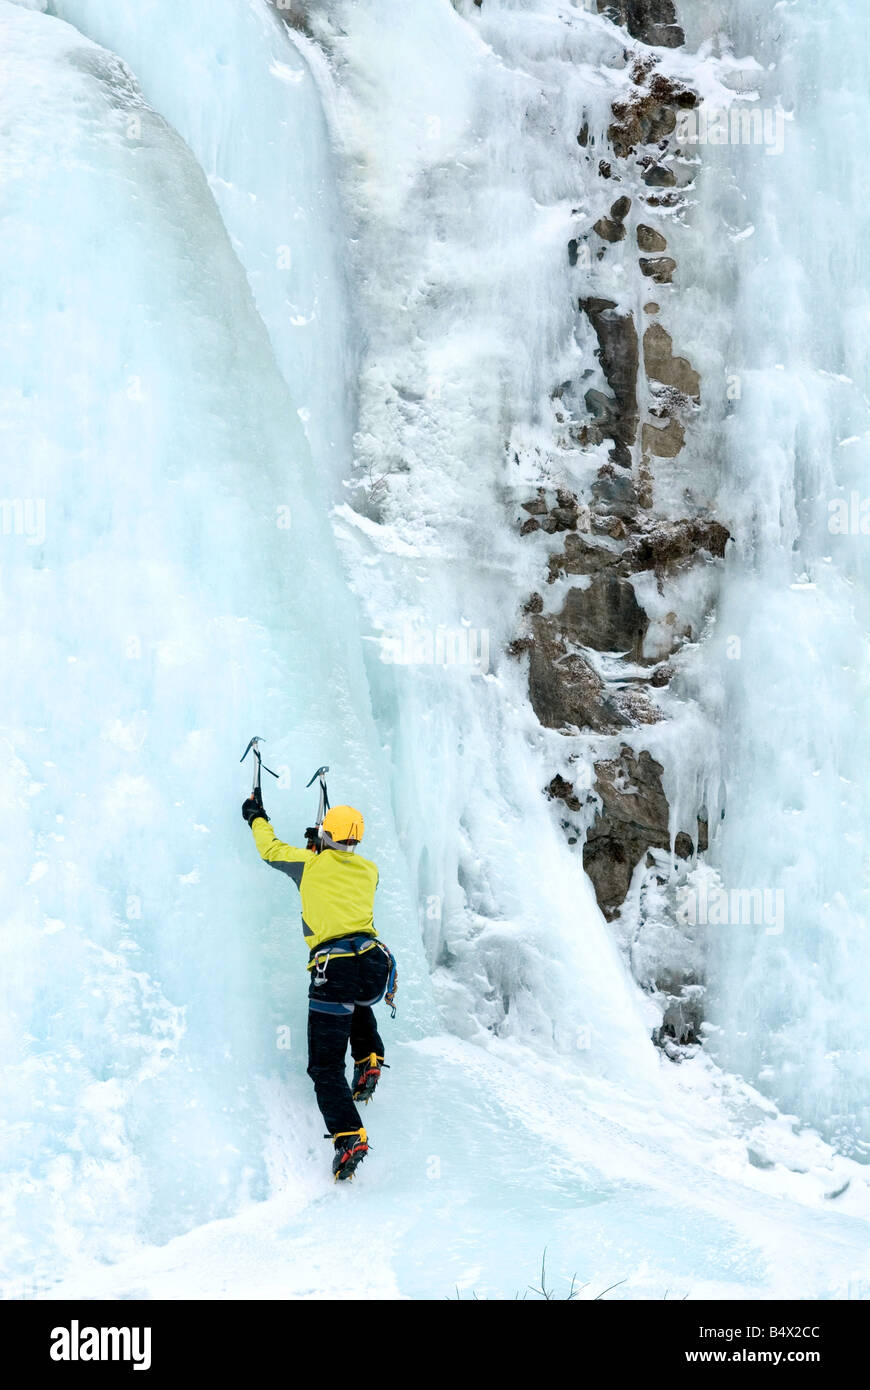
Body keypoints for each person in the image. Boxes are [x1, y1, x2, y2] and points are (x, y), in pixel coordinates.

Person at [242, 791, 396, 1180]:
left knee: (325, 1066)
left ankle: (349, 1136)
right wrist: (325, 844)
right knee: (358, 1001)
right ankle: (369, 1058)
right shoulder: (370, 869)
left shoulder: (309, 865)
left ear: (324, 836)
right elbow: (340, 873)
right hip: (373, 965)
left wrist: (256, 816)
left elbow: (271, 850)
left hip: (335, 968)